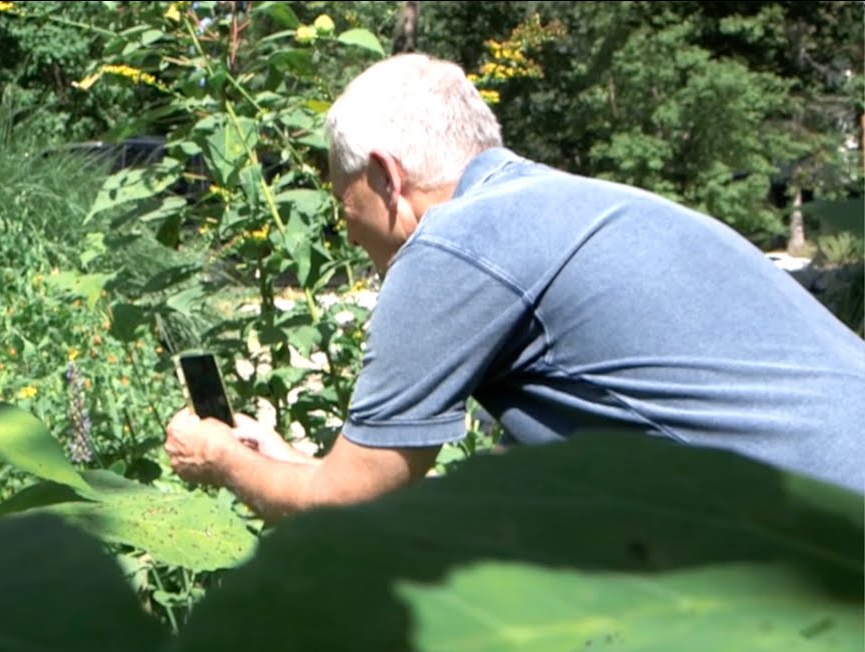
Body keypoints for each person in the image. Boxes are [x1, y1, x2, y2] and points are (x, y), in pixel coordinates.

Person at [163, 53, 865, 520]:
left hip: (820, 559)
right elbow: (493, 507)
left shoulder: (453, 244)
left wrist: (223, 460)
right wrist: (295, 466)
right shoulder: (571, 207)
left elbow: (347, 507)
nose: (356, 242)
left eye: (350, 215)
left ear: (386, 176)